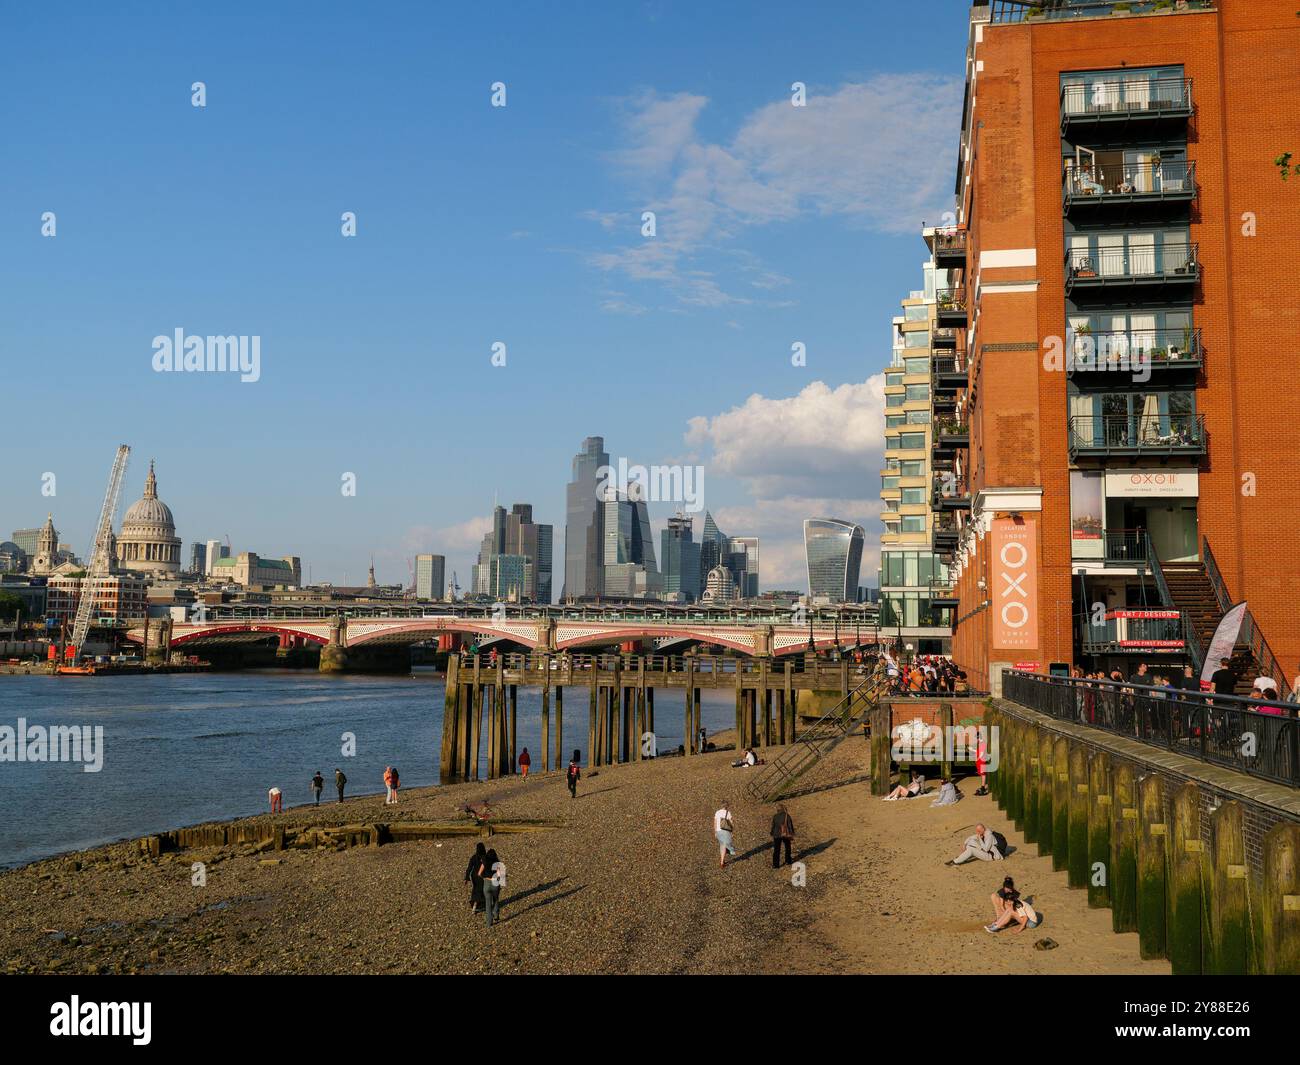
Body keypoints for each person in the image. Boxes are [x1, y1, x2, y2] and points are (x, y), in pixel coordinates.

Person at [481, 848, 504, 927]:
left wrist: (485, 877)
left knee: (488, 903)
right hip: (495, 882)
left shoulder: (484, 862)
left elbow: (479, 873)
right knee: (496, 899)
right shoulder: (497, 863)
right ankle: (496, 915)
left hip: (487, 883)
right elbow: (499, 875)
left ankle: (489, 922)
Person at [464, 842, 487, 913]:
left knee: (475, 889)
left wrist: (467, 878)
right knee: (481, 891)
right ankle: (476, 905)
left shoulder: (474, 857)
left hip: (474, 876)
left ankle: (476, 905)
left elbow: (469, 868)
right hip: (481, 876)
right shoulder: (485, 857)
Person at [770, 803, 795, 868]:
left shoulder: (775, 816)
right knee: (787, 847)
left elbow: (773, 826)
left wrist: (772, 833)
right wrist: (792, 833)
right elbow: (789, 825)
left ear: (778, 810)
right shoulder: (787, 816)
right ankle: (788, 860)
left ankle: (776, 865)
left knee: (776, 849)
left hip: (776, 834)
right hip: (785, 834)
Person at [714, 801, 737, 868]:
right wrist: (732, 832)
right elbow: (731, 823)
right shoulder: (728, 813)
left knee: (722, 845)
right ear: (727, 806)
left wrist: (715, 832)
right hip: (725, 831)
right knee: (725, 845)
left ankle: (722, 861)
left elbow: (715, 822)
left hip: (718, 831)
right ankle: (722, 861)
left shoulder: (717, 812)